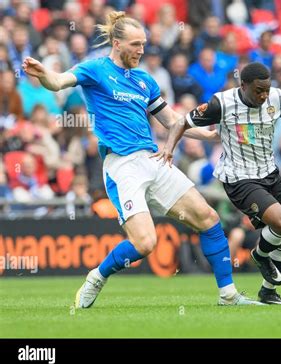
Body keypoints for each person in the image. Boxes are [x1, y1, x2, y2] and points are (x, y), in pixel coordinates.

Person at [22, 11, 262, 308]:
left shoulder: (144, 80)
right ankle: (97, 276)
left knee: (209, 219)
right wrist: (44, 73)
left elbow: (173, 120)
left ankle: (228, 295)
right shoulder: (95, 69)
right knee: (146, 244)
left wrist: (213, 136)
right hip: (122, 165)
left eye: (144, 44)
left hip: (153, 158)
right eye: (135, 44)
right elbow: (59, 82)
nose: (141, 50)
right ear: (116, 43)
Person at [156, 62, 281, 304]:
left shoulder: (277, 98)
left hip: (270, 173)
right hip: (240, 178)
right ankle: (260, 254)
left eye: (266, 89)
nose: (263, 95)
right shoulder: (222, 103)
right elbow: (182, 122)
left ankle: (268, 291)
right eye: (258, 90)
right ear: (243, 85)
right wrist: (169, 149)